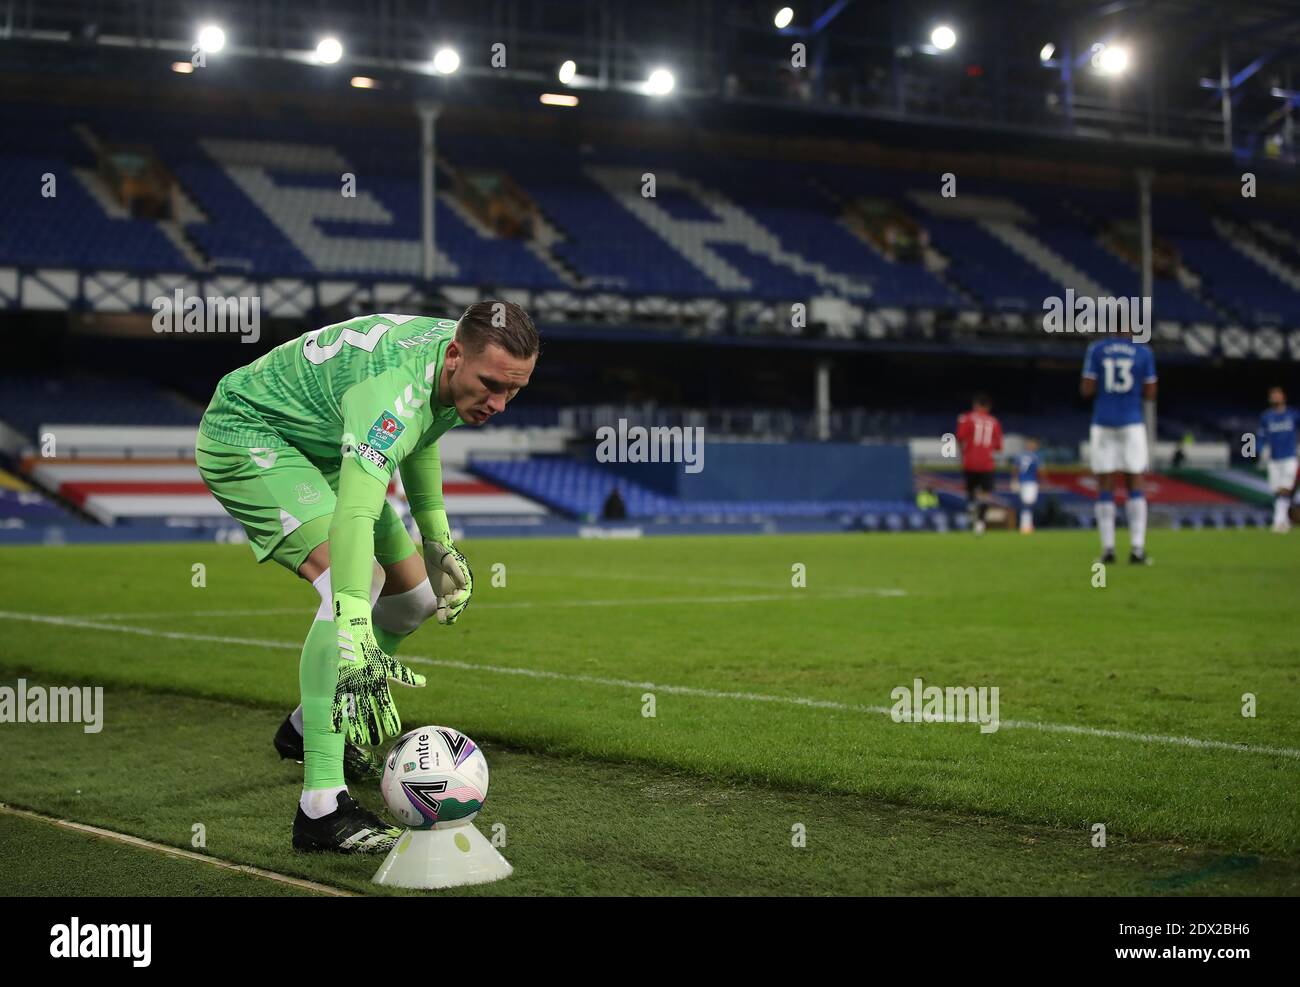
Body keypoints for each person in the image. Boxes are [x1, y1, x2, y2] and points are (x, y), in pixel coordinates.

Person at [196, 303, 538, 852]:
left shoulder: (453, 365)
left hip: (321, 444)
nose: (498, 404)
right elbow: (356, 511)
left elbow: (424, 433)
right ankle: (320, 809)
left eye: (513, 392)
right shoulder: (392, 389)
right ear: (454, 357)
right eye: (492, 386)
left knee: (413, 602)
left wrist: (438, 539)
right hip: (251, 435)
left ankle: (308, 726)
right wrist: (353, 614)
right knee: (352, 587)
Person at [1080, 331, 1156, 564]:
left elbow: (1087, 389)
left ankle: (1108, 550)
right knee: (1135, 483)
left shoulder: (1097, 349)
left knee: (1105, 486)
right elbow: (1151, 393)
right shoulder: (1144, 351)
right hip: (1132, 422)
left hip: (1103, 422)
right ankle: (1137, 549)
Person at [956, 393, 1002, 536]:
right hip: (987, 463)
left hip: (970, 461)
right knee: (985, 494)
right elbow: (999, 447)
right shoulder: (994, 422)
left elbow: (959, 437)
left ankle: (971, 507)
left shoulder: (967, 418)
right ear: (988, 407)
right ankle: (980, 523)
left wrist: (962, 454)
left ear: (976, 405)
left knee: (971, 490)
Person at [1260, 386, 1298, 533]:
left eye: (1277, 394)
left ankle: (1278, 521)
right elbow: (1261, 436)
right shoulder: (1266, 417)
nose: (1275, 397)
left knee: (1285, 489)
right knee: (1277, 491)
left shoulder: (1293, 414)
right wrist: (1252, 451)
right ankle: (1285, 521)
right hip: (1274, 459)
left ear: (1284, 397)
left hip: (1289, 457)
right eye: (1272, 395)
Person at [1012, 438, 1041, 534]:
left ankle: (1026, 525)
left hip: (1021, 482)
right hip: (1030, 482)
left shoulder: (1019, 456)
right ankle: (1025, 526)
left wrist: (1014, 480)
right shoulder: (1035, 456)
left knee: (1025, 504)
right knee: (1028, 504)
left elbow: (1015, 469)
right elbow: (1039, 471)